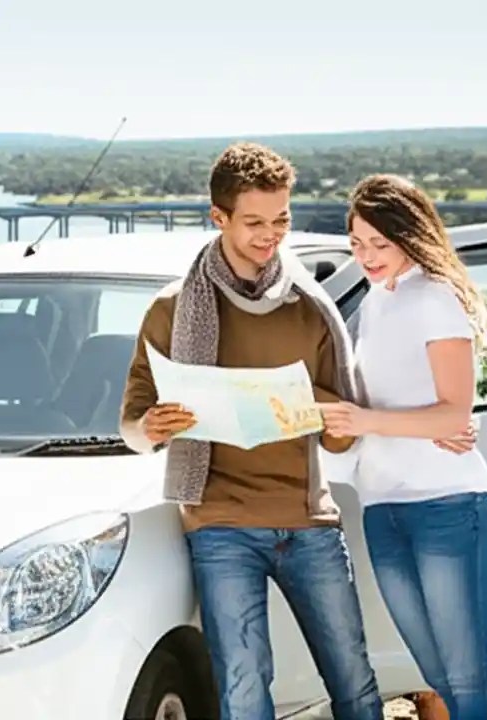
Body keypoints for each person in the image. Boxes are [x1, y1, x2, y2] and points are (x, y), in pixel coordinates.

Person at [118, 141, 387, 720]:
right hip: (221, 527)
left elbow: (344, 436)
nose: (272, 236)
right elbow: (131, 429)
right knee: (242, 690)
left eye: (282, 219)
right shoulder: (172, 309)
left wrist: (319, 410)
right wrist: (152, 424)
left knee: (354, 680)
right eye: (256, 222)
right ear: (218, 218)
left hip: (307, 521)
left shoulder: (311, 309)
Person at [319, 173, 487, 720]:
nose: (368, 256)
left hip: (449, 506)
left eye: (380, 243)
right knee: (437, 674)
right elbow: (401, 407)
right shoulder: (377, 301)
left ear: (410, 235)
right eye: (357, 244)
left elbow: (453, 411)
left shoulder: (434, 298)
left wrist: (367, 420)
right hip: (384, 510)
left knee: (469, 678)